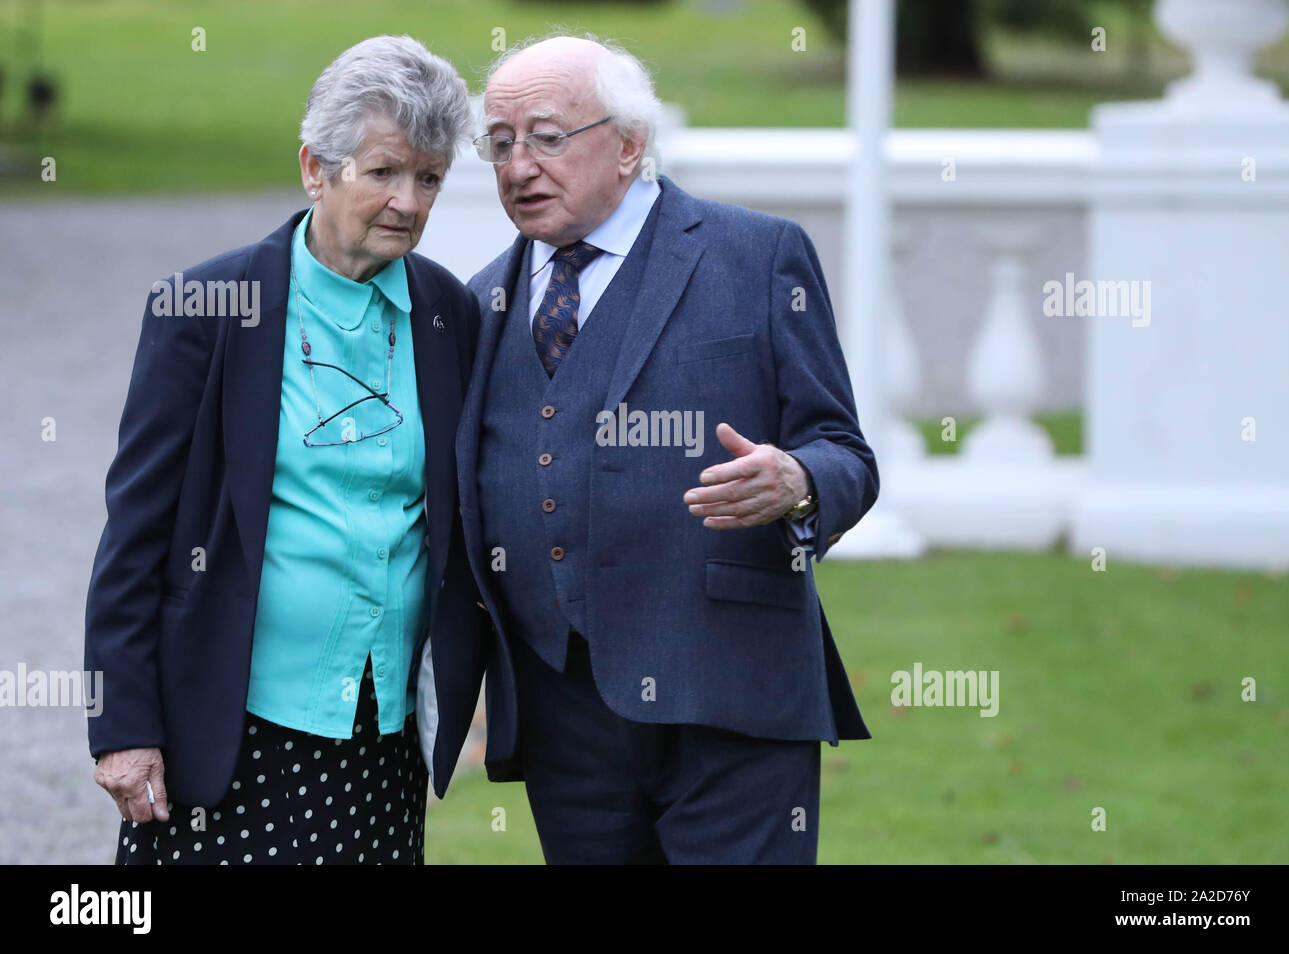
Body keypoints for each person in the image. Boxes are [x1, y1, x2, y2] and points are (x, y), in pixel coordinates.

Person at [459, 35, 879, 864]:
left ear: (628, 143)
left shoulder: (758, 256)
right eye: (499, 143)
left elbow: (845, 453)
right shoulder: (478, 304)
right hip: (561, 715)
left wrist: (798, 481)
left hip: (730, 694)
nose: (518, 165)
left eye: (547, 136)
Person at [84, 35, 495, 865]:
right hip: (231, 725)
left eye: (429, 178)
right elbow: (135, 534)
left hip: (379, 737)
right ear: (316, 168)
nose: (409, 201)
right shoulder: (206, 307)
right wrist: (123, 726)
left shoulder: (450, 314)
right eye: (384, 172)